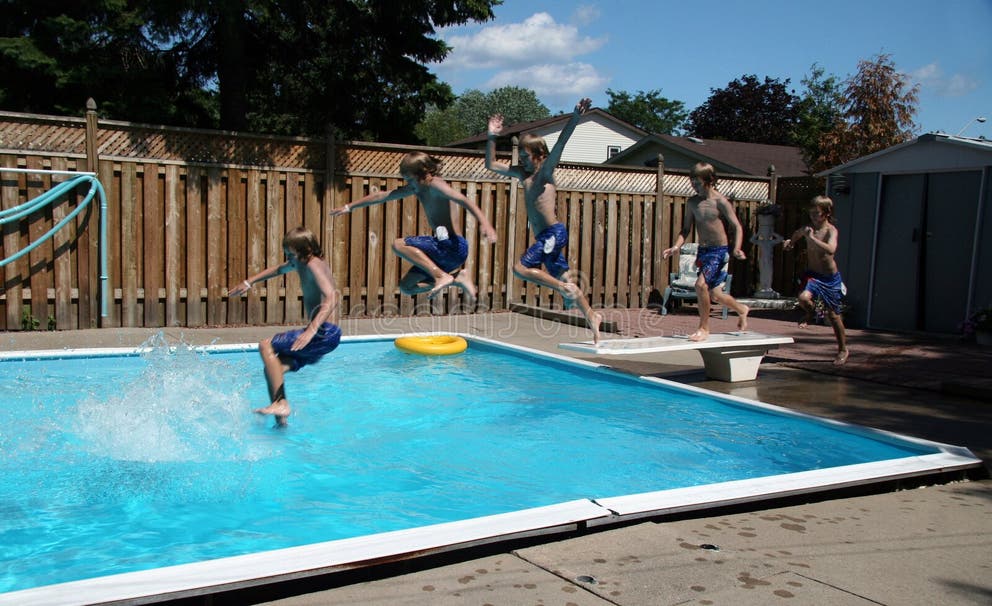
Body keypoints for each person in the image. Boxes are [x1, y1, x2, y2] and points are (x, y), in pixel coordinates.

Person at [484, 98, 602, 343]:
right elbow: (490, 164)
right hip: (545, 237)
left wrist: (575, 118)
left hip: (553, 233)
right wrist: (492, 136)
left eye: (525, 156)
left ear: (539, 155)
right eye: (520, 156)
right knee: (567, 279)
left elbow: (561, 142)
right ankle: (592, 316)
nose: (522, 160)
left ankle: (563, 290)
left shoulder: (545, 172)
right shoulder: (521, 174)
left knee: (520, 269)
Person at [329, 152, 498, 305]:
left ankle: (441, 276)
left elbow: (464, 201)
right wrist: (348, 207)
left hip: (453, 246)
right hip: (444, 252)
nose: (408, 184)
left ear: (423, 173)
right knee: (407, 287)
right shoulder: (419, 187)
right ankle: (456, 279)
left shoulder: (436, 185)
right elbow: (382, 195)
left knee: (398, 244)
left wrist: (486, 224)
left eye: (409, 180)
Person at [228, 227, 341, 426]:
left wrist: (311, 330)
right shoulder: (302, 261)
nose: (288, 259)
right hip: (326, 337)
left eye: (291, 254)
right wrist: (249, 282)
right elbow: (278, 270)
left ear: (306, 249)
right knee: (273, 369)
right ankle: (281, 422)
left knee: (265, 345)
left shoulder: (314, 264)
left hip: (324, 332)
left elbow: (332, 297)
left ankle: (281, 403)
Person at [661, 162, 749, 341]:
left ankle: (704, 328)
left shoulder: (720, 202)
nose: (694, 185)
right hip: (703, 251)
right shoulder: (693, 202)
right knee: (715, 294)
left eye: (698, 182)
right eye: (692, 181)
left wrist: (737, 248)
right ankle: (742, 309)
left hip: (719, 252)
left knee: (700, 285)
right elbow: (685, 229)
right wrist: (676, 247)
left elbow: (737, 226)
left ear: (709, 180)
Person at [783, 195, 849, 365]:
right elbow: (796, 235)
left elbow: (831, 249)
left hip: (830, 278)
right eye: (811, 213)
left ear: (827, 213)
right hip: (813, 275)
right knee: (803, 298)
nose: (812, 216)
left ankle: (843, 349)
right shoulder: (808, 229)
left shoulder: (831, 231)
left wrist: (812, 239)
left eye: (816, 213)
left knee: (833, 316)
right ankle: (811, 313)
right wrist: (790, 243)